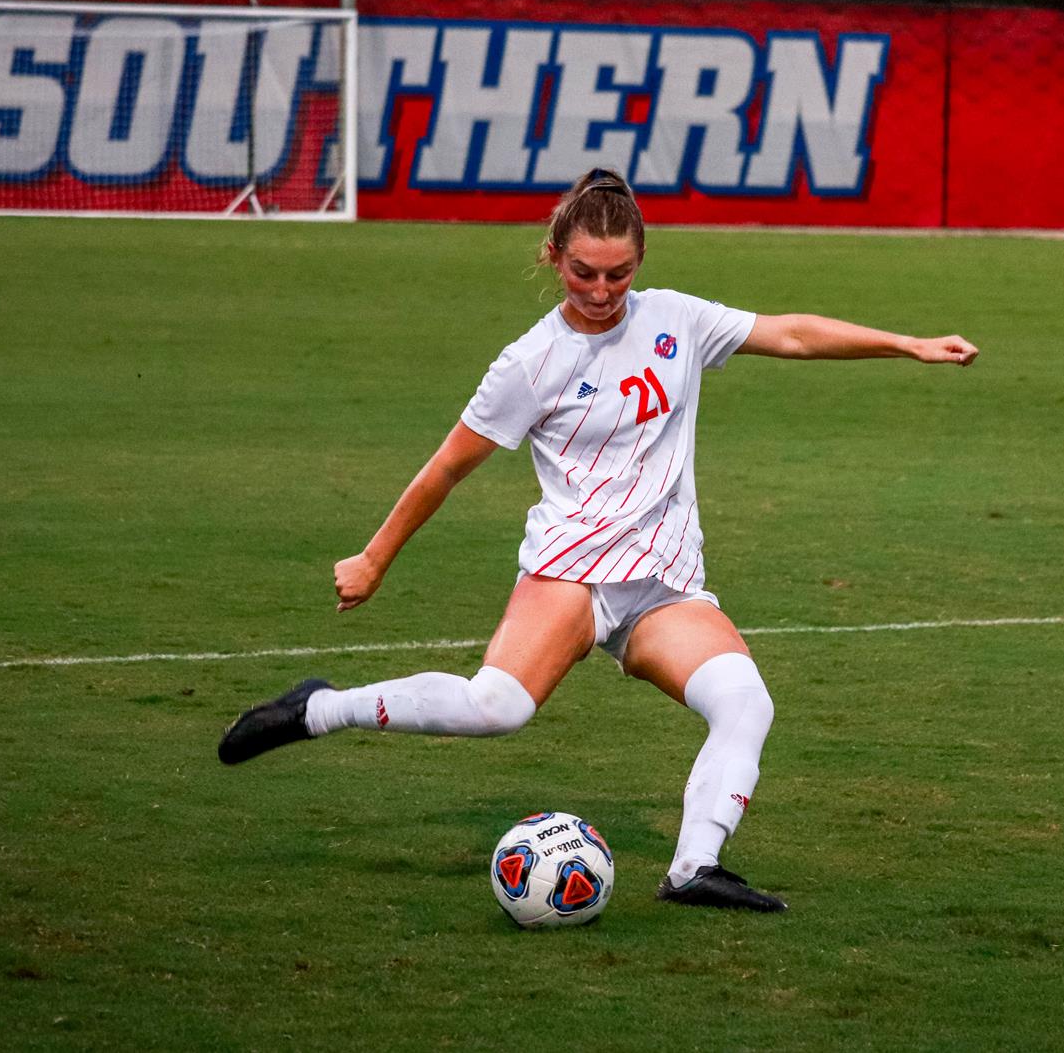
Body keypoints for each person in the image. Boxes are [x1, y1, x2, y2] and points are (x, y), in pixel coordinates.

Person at [218, 168, 979, 913]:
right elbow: (446, 468)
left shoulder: (674, 319)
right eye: (584, 272)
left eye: (618, 274)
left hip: (664, 584)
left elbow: (791, 334)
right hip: (573, 574)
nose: (602, 291)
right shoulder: (530, 364)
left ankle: (694, 868)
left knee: (746, 703)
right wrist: (375, 557)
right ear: (555, 257)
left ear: (639, 262)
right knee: (498, 707)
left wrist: (907, 343)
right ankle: (323, 707)